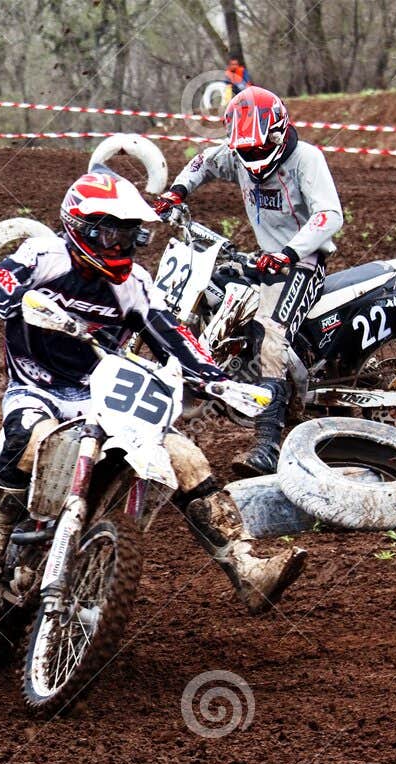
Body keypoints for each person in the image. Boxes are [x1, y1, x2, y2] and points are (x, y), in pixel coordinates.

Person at [0, 170, 306, 614]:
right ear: (80, 227)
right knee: (28, 431)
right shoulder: (45, 255)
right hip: (37, 383)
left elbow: (173, 335)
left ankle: (246, 566)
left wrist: (216, 379)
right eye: (110, 233)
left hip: (101, 390)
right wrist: (12, 296)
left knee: (186, 458)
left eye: (128, 235)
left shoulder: (133, 284)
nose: (120, 245)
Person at [152, 86, 343, 477]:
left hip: (301, 262)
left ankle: (268, 442)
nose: (252, 158)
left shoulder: (307, 159)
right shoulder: (238, 154)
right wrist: (176, 192)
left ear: (276, 133)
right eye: (245, 150)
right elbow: (203, 162)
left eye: (257, 150)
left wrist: (288, 252)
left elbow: (329, 215)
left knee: (269, 334)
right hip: (263, 259)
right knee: (212, 290)